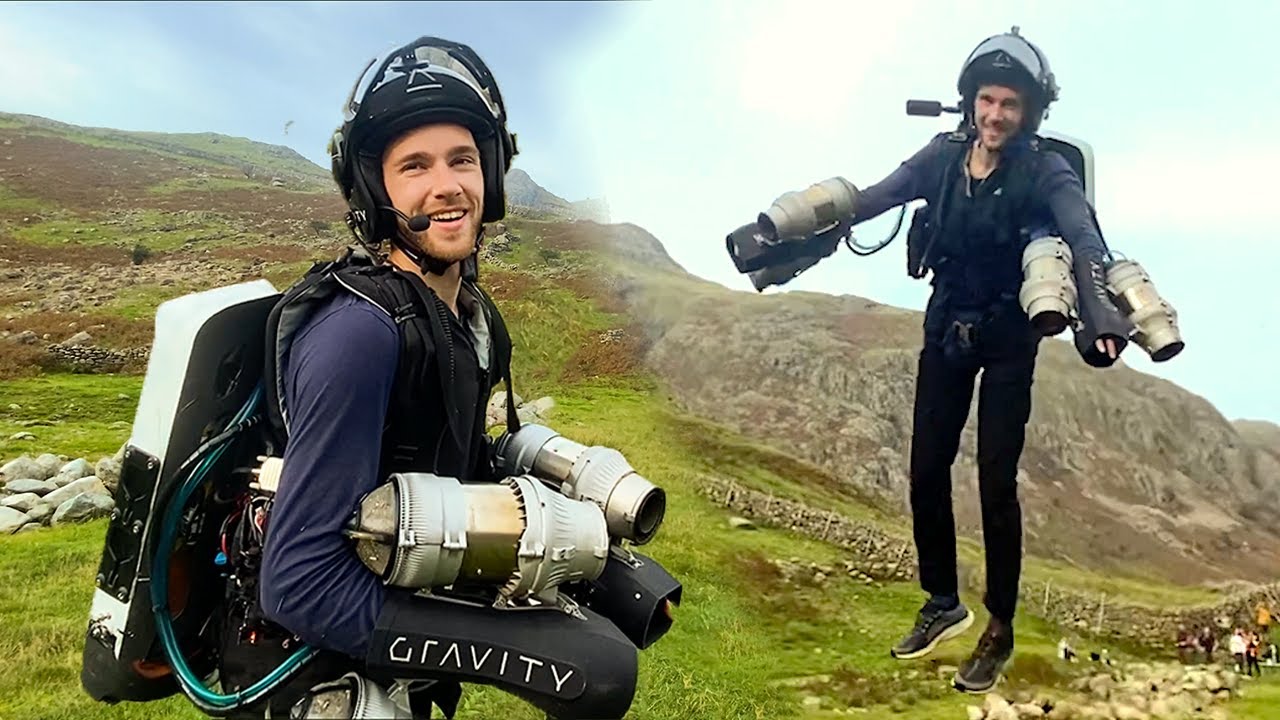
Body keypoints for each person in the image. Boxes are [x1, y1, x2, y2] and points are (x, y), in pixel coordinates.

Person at [216, 35, 525, 718]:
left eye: (463, 159)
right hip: (317, 684)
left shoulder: (470, 320)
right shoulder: (359, 333)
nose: (446, 185)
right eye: (413, 166)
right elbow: (297, 583)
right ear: (373, 190)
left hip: (389, 670)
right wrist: (514, 647)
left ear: (493, 175)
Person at [844, 27, 1135, 694]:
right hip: (947, 322)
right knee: (925, 468)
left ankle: (999, 628)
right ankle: (943, 601)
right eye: (986, 100)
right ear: (969, 102)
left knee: (996, 485)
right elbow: (878, 195)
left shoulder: (1045, 171)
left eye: (1010, 103)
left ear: (1030, 112)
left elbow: (1083, 230)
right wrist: (804, 223)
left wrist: (1103, 310)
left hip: (1010, 333)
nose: (996, 114)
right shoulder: (942, 157)